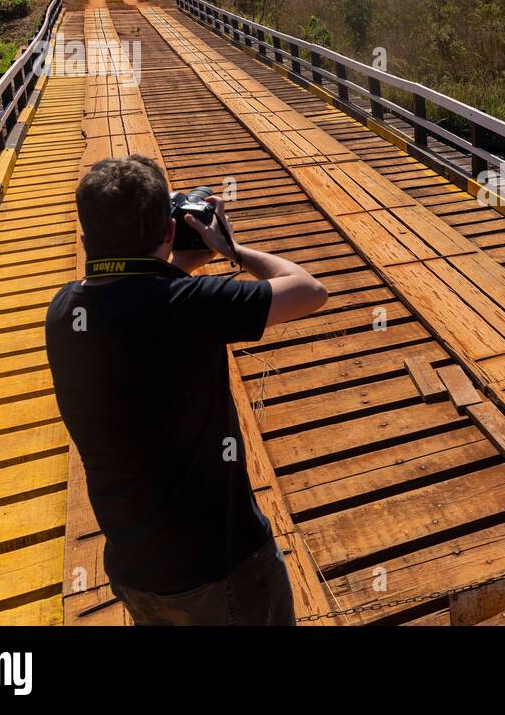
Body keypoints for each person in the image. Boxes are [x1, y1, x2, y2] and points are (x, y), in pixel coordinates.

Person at [45, 155, 327, 625]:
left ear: (84, 238)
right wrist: (231, 249)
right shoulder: (188, 307)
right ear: (170, 232)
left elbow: (136, 310)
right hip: (220, 568)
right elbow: (308, 290)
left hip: (137, 570)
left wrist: (178, 267)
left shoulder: (62, 313)